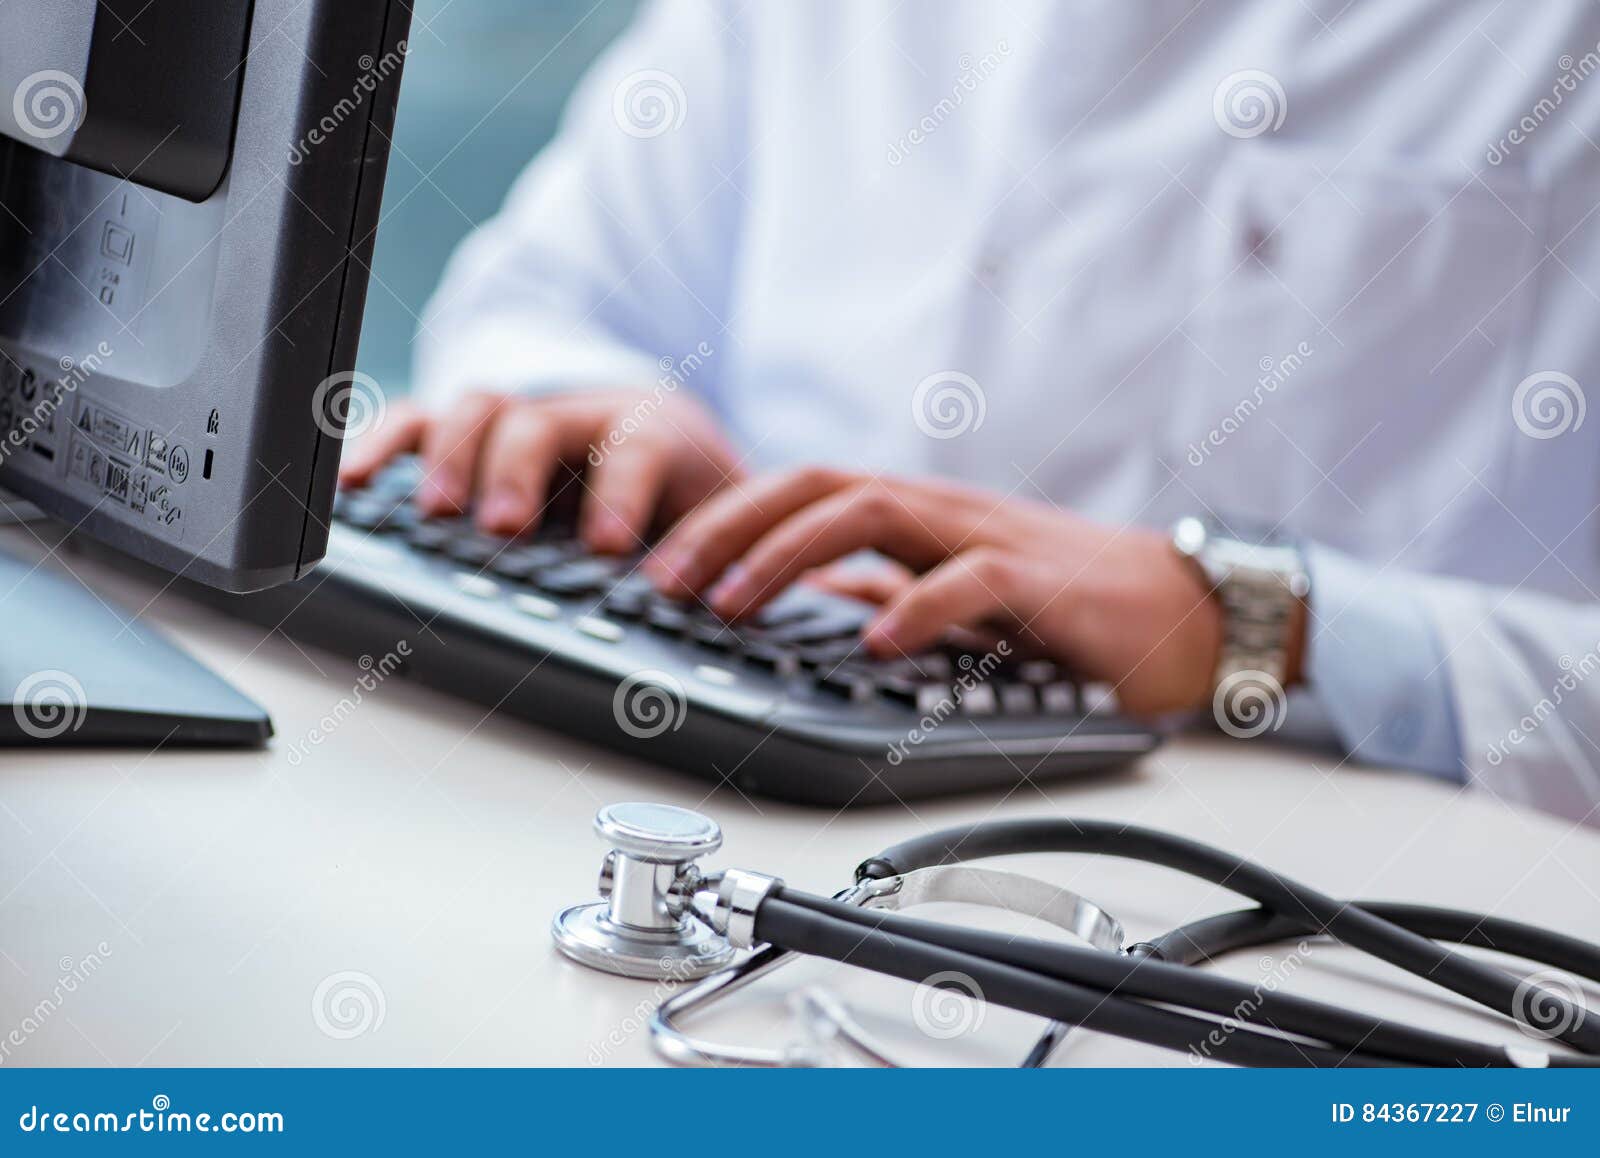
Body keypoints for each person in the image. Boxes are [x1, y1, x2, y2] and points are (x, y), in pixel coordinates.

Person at [341, 1, 1600, 826]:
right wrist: (596, 405)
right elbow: (546, 299)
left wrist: (1260, 626)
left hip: (1282, 923)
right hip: (719, 771)